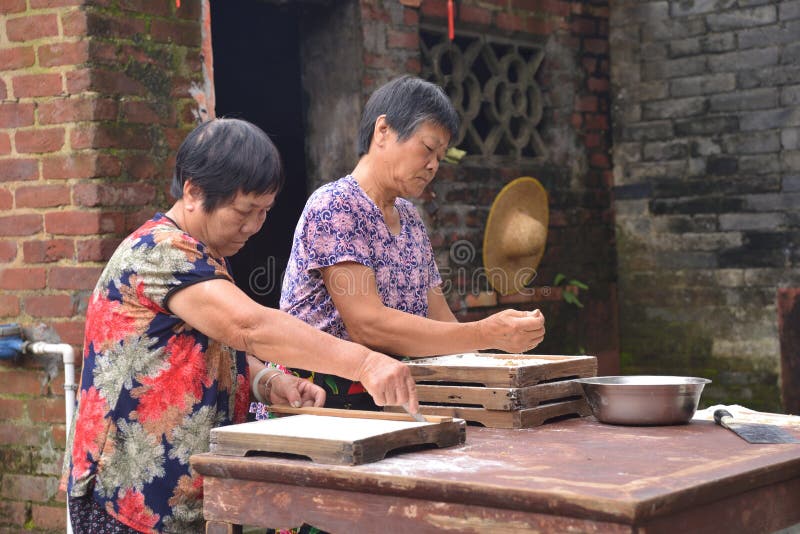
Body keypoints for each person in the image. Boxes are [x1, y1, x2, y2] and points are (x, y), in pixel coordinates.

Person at [61, 118, 419, 533]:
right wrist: (366, 364)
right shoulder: (160, 252)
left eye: (264, 212)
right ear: (194, 192)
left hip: (179, 494)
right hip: (128, 492)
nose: (253, 227)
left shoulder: (203, 253)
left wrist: (267, 380)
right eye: (244, 211)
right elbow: (247, 326)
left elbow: (205, 348)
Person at [281, 76, 546, 410]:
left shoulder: (409, 216)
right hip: (319, 401)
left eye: (440, 155)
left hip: (391, 399)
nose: (434, 164)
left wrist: (493, 372)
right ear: (383, 131)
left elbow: (441, 320)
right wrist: (487, 332)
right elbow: (368, 326)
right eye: (427, 148)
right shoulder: (336, 205)